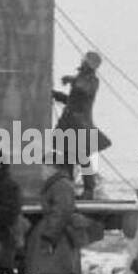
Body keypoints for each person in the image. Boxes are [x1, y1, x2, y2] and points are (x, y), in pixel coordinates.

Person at [26, 162, 82, 274]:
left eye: (44, 167)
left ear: (53, 167)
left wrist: (49, 237)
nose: (42, 171)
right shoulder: (60, 184)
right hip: (58, 236)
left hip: (57, 238)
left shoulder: (60, 185)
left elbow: (61, 212)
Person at [51, 52, 111, 200]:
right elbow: (72, 100)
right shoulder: (82, 80)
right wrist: (56, 94)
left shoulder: (92, 81)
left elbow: (83, 89)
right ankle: (69, 190)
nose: (82, 62)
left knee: (81, 157)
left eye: (85, 61)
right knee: (67, 159)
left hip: (80, 126)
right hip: (70, 125)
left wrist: (71, 79)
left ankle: (89, 191)